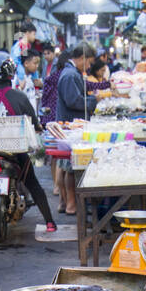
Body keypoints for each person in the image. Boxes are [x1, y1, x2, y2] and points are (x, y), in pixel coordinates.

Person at [0, 50, 56, 235]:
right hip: (16, 152)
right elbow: (34, 123)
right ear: (12, 73)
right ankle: (50, 222)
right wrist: (37, 128)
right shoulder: (20, 97)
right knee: (33, 184)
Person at [56, 42, 96, 216]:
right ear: (82, 58)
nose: (88, 66)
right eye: (88, 62)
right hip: (70, 127)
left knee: (66, 166)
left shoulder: (70, 73)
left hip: (68, 125)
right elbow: (74, 101)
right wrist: (93, 101)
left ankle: (65, 202)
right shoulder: (70, 75)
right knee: (71, 168)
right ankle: (71, 204)